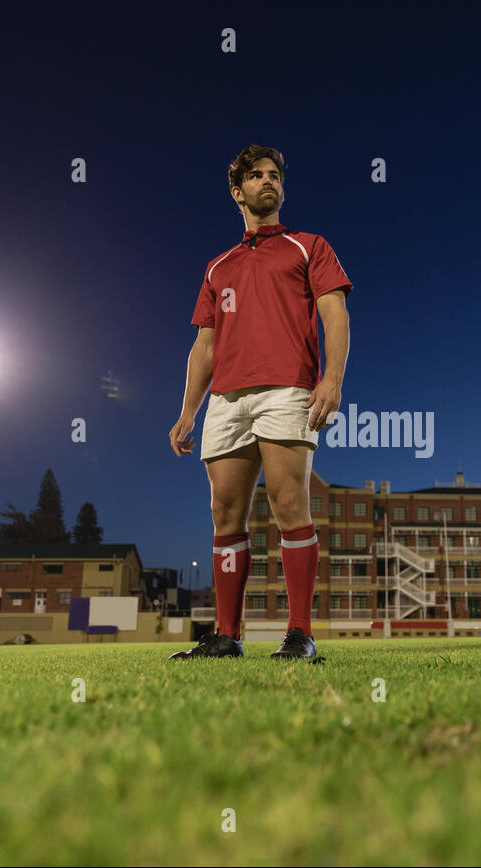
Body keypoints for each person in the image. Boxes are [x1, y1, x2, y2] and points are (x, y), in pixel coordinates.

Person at [168, 145, 352, 660]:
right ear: (237, 191)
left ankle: (300, 634)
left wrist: (331, 379)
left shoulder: (307, 246)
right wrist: (188, 410)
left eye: (274, 175)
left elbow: (334, 313)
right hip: (226, 400)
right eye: (256, 176)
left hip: (287, 389)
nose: (268, 181)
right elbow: (204, 344)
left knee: (289, 504)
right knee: (225, 514)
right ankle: (227, 635)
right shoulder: (217, 268)